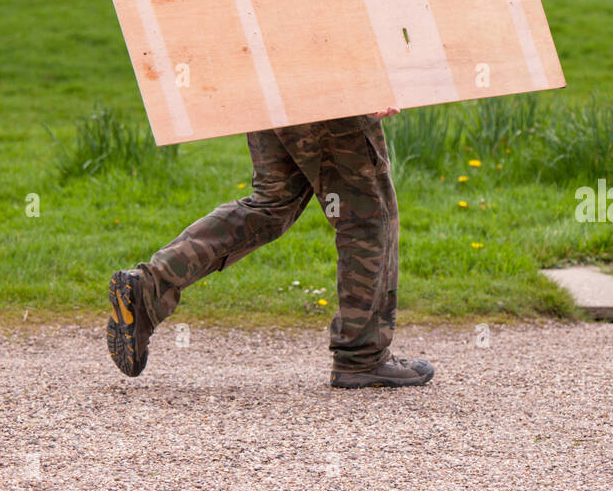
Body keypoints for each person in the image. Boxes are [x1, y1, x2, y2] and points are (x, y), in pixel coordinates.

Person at [107, 108, 434, 388]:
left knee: (271, 204)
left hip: (269, 81)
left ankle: (152, 284)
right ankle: (363, 355)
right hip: (324, 80)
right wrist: (372, 80)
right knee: (367, 216)